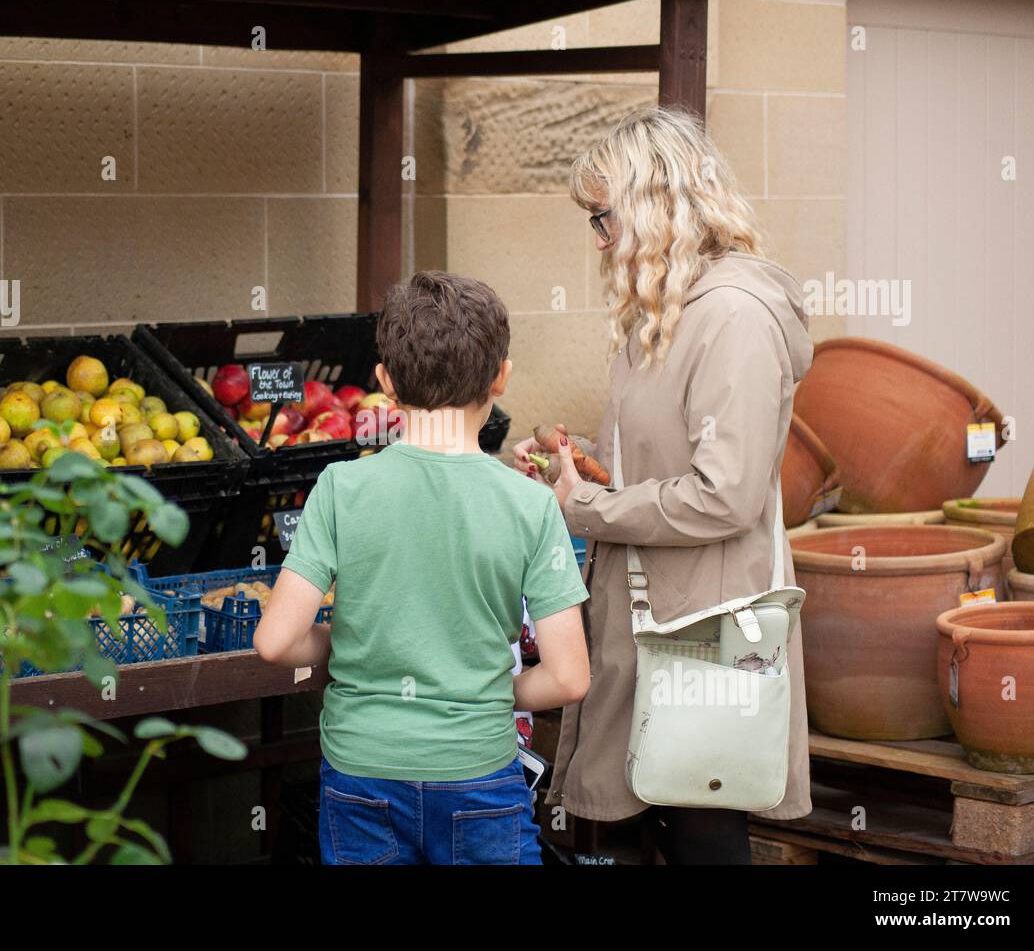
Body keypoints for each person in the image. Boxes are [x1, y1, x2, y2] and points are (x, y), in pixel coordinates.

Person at [513, 106, 814, 864]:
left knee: (702, 832)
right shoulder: (666, 312)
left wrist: (585, 509)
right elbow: (653, 461)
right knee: (638, 825)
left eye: (604, 218)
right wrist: (571, 457)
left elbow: (727, 493)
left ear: (657, 206)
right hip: (651, 616)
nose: (598, 240)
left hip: (703, 629)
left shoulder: (734, 317)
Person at [255, 270, 591, 865]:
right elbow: (568, 679)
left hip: (361, 773)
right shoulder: (532, 504)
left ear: (384, 381)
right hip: (479, 772)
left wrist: (350, 643)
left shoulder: (341, 486)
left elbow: (276, 641)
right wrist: (483, 694)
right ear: (501, 377)